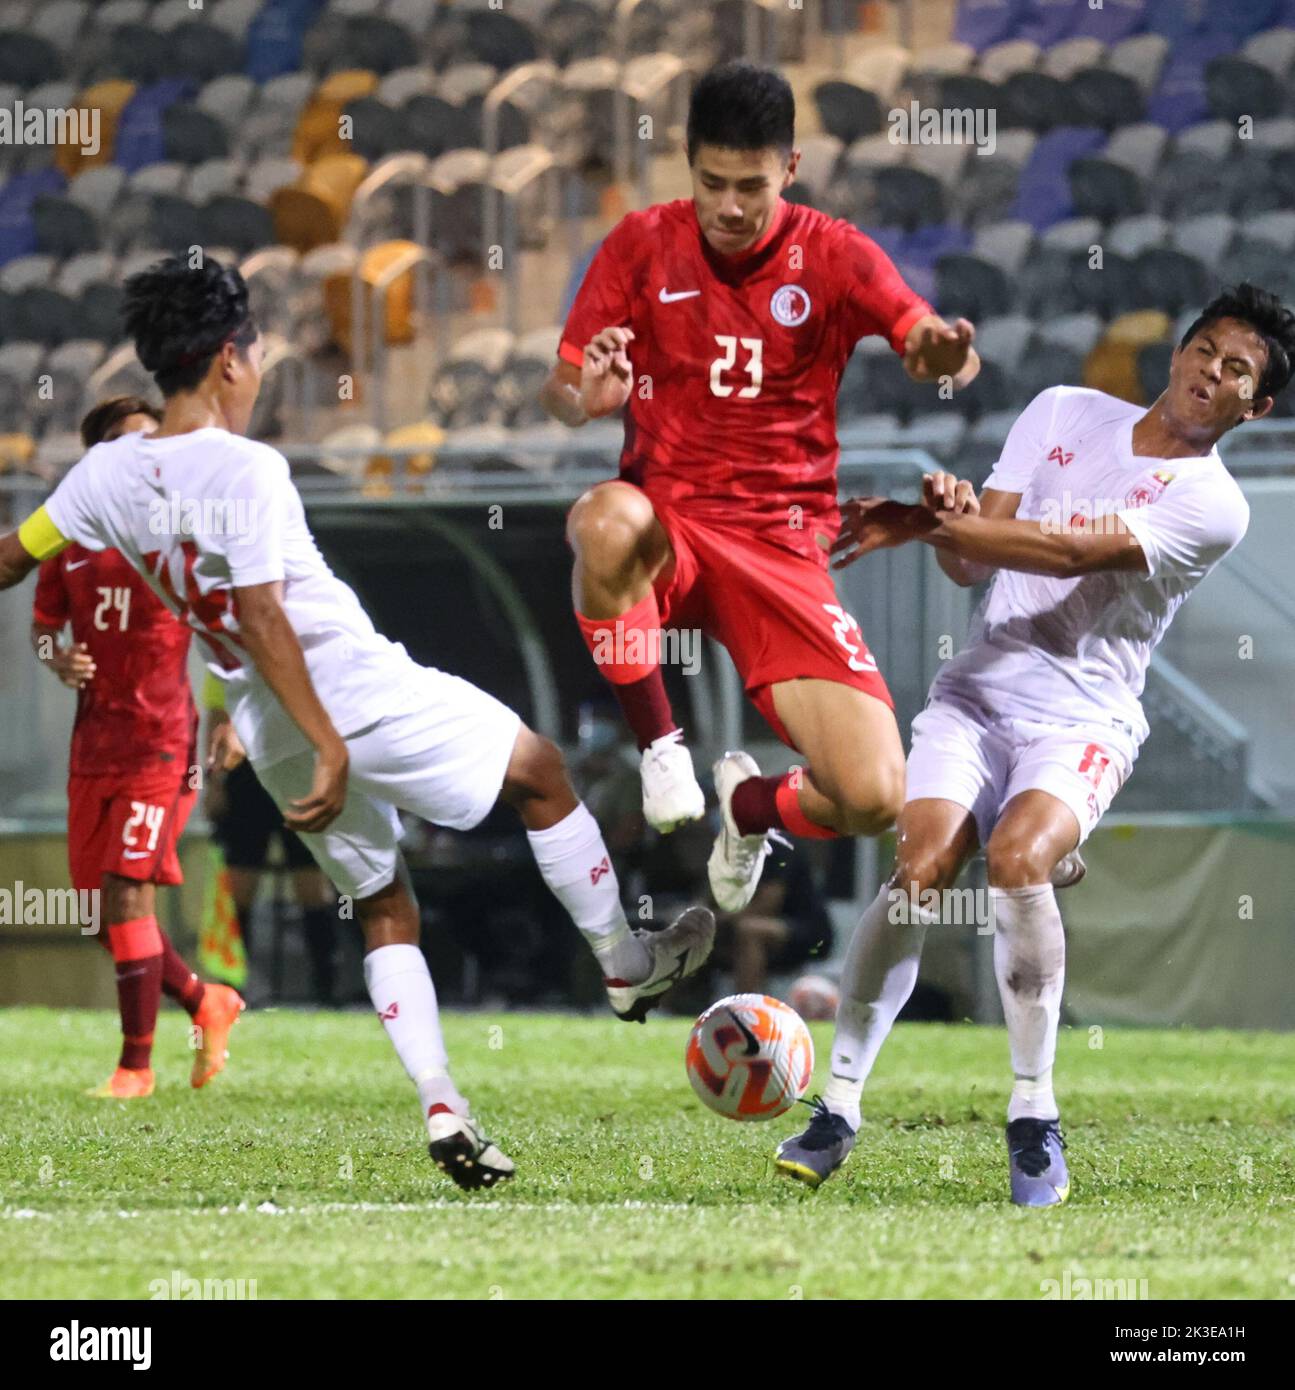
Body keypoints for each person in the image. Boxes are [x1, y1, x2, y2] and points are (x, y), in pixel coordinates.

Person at [0, 255, 714, 1191]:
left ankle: (442, 1104)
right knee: (540, 770)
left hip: (267, 724)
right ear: (227, 360)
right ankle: (622, 962)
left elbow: (13, 557)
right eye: (257, 358)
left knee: (383, 905)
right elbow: (262, 610)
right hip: (346, 691)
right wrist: (334, 743)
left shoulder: (103, 473)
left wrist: (308, 744)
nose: (258, 374)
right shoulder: (247, 466)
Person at [774, 283, 1295, 1204]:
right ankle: (838, 1107)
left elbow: (1067, 553)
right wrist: (950, 517)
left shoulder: (1214, 505)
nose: (1211, 373)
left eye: (1236, 371)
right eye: (1204, 351)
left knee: (1014, 859)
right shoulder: (1060, 410)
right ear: (1177, 351)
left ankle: (1031, 1114)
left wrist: (920, 520)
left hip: (1083, 718)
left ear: (1254, 407)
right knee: (920, 870)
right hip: (977, 694)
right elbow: (973, 561)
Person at [540, 61, 980, 916]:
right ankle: (660, 747)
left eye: (751, 186)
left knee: (873, 796)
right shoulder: (639, 243)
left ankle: (747, 808)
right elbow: (559, 389)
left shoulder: (835, 254)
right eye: (711, 183)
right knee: (600, 519)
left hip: (780, 543)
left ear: (790, 167)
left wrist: (941, 356)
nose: (730, 207)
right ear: (687, 163)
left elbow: (932, 344)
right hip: (667, 529)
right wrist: (579, 398)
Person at [29, 395, 243, 1100]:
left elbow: (225, 627)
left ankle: (135, 1067)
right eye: (132, 444)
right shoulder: (67, 536)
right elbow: (42, 629)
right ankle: (206, 1000)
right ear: (100, 461)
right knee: (98, 913)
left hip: (162, 745)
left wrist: (230, 715)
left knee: (127, 894)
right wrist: (55, 658)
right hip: (94, 747)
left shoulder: (179, 533)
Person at [203, 673, 353, 1005]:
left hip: (298, 772)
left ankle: (328, 991)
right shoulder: (226, 657)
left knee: (313, 888)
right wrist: (212, 782)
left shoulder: (303, 653)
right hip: (245, 778)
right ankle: (232, 990)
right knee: (239, 888)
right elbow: (217, 718)